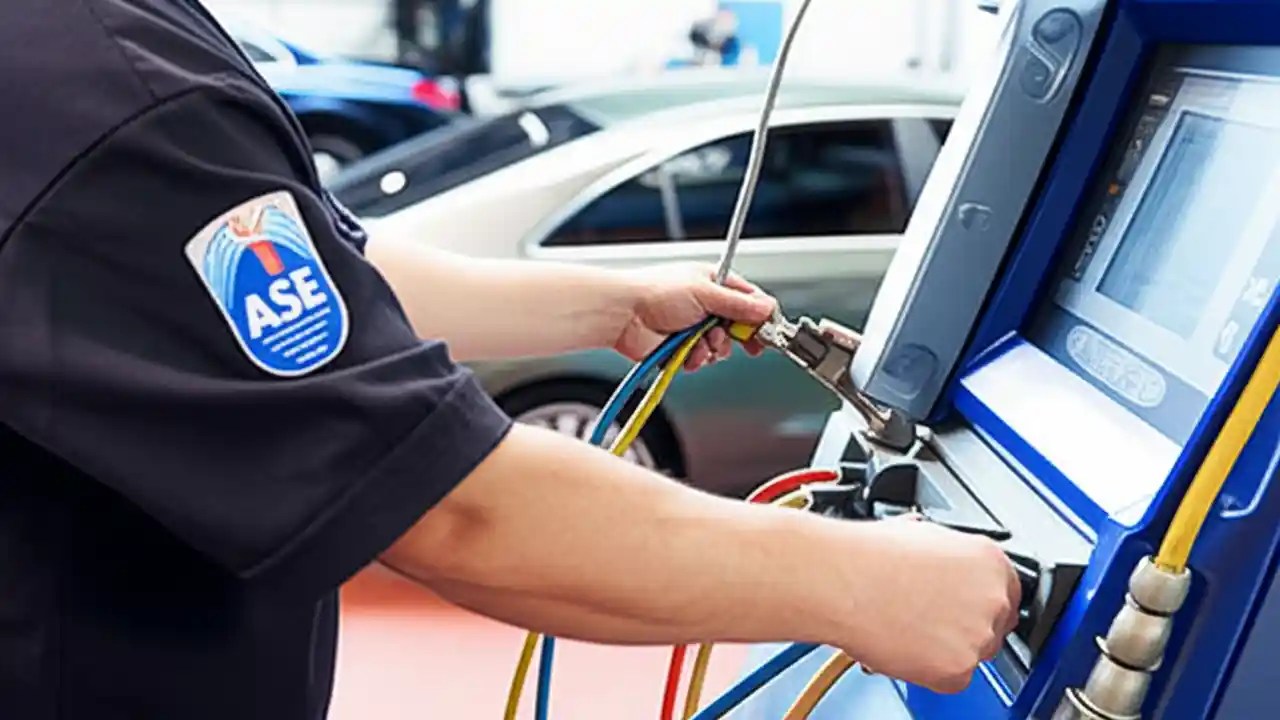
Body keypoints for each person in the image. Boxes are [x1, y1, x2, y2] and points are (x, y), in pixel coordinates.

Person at [0, 2, 1020, 718]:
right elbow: (455, 511)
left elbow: (300, 269)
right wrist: (867, 586)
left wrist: (599, 303)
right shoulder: (100, 85)